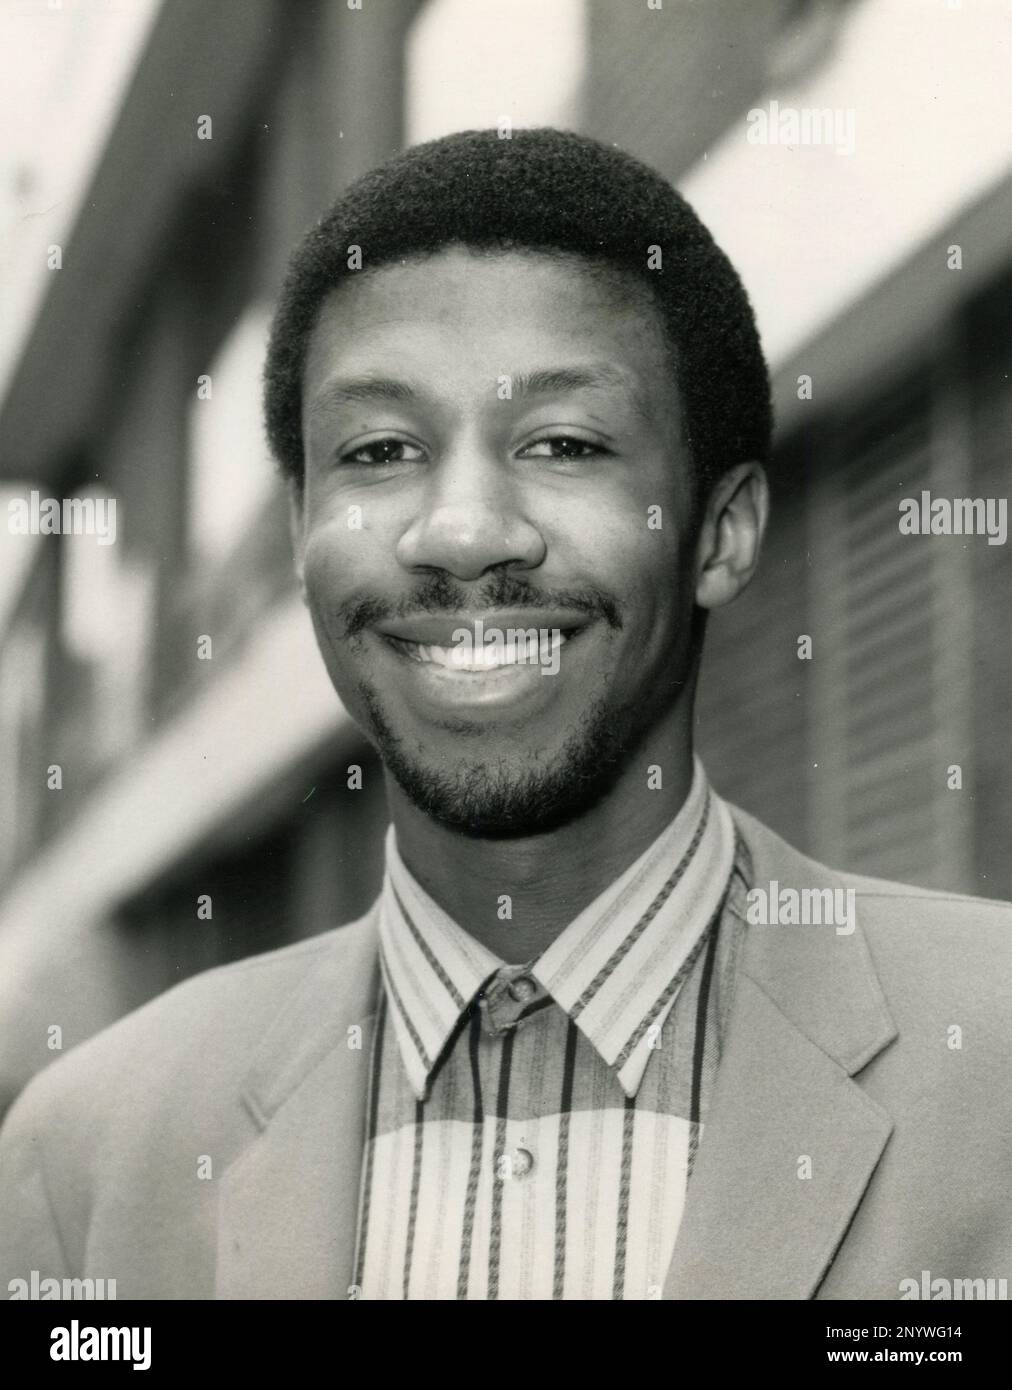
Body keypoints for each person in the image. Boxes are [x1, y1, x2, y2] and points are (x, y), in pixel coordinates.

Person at [2, 128, 1010, 1301]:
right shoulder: (84, 1157)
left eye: (564, 443)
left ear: (720, 532)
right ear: (300, 537)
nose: (463, 531)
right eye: (380, 450)